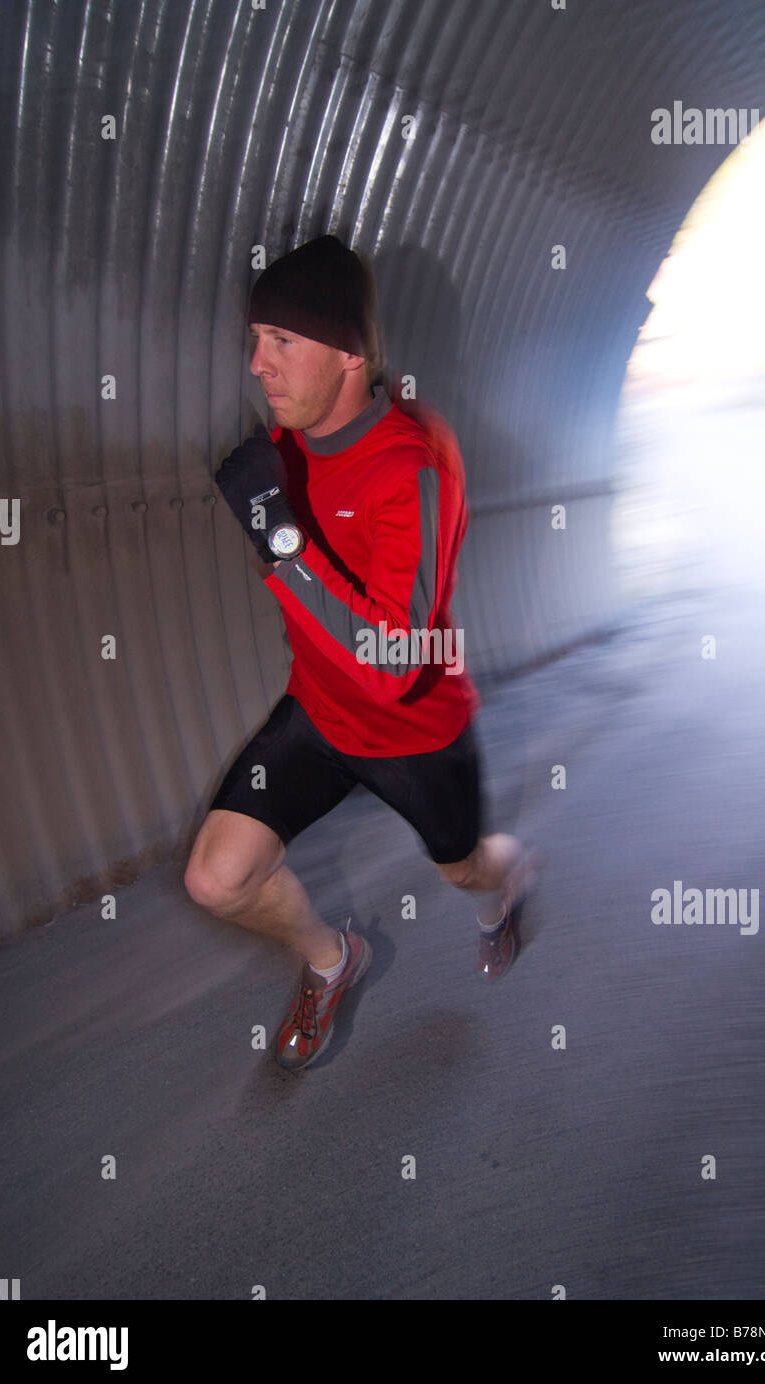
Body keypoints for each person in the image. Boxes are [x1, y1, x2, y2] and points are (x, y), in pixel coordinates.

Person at [184, 235, 537, 1070]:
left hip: (414, 728)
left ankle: (506, 883)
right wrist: (284, 527)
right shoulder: (290, 443)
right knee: (215, 879)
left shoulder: (412, 466)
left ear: (348, 355)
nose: (257, 366)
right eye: (255, 341)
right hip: (321, 710)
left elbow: (393, 659)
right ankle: (334, 960)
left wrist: (280, 541)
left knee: (466, 874)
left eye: (282, 342)